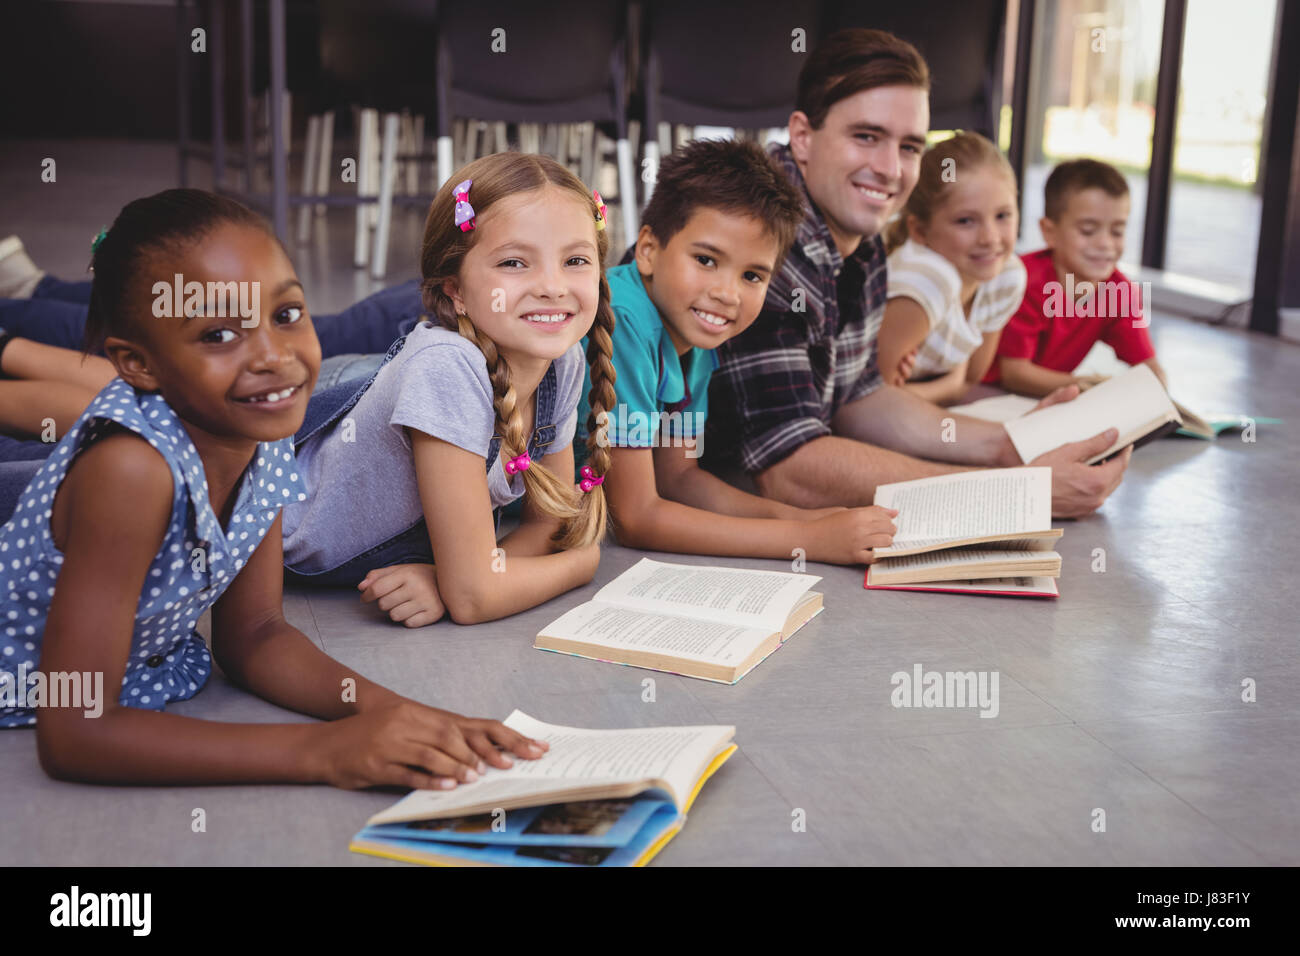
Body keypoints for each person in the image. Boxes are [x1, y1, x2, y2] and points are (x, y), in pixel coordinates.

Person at [0, 189, 549, 789]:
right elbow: (75, 734)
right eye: (217, 335)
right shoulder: (131, 473)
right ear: (137, 364)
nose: (273, 357)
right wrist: (328, 751)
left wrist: (397, 714)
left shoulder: (258, 434)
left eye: (286, 315)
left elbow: (254, 635)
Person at [703, 28, 1131, 519]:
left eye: (909, 147)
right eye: (866, 137)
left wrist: (1011, 443)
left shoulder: (859, 241)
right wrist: (1013, 489)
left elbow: (860, 399)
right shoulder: (766, 240)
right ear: (802, 136)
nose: (890, 169)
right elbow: (790, 469)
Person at [280, 153, 612, 626]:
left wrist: (448, 575)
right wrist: (582, 564)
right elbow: (476, 597)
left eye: (575, 260)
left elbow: (550, 527)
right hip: (290, 518)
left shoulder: (563, 358)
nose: (553, 287)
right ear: (454, 288)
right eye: (515, 262)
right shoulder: (447, 369)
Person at [578, 138, 898, 565]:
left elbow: (680, 479)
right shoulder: (626, 321)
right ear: (649, 250)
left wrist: (806, 519)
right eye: (707, 260)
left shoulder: (699, 342)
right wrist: (808, 540)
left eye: (752, 275)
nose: (727, 294)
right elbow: (636, 519)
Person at [986, 158, 1168, 395]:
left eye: (1117, 231)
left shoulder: (1120, 291)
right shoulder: (1024, 282)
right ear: (1049, 232)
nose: (1104, 244)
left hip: (1047, 397)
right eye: (1088, 230)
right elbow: (1014, 374)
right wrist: (1089, 386)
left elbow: (1149, 366)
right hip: (986, 391)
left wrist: (1159, 391)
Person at [877, 131, 1027, 405]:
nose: (990, 238)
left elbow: (968, 382)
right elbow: (874, 403)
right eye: (966, 221)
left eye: (1003, 215)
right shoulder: (926, 280)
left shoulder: (1005, 277)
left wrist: (932, 388)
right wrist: (948, 384)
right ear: (920, 230)